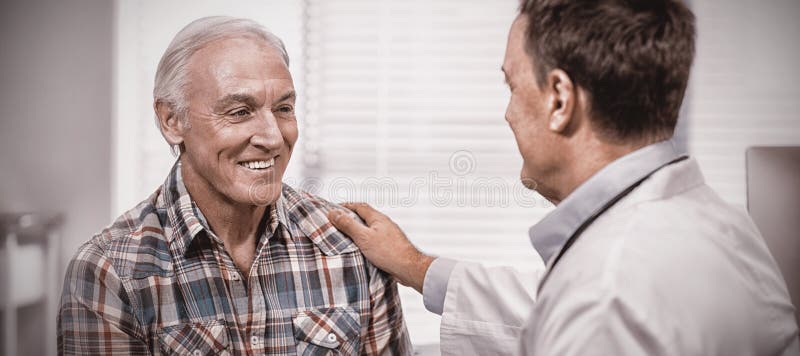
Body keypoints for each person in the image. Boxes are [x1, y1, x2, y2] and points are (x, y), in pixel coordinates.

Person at [327, 0, 800, 355]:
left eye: (512, 86)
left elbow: (590, 301)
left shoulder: (607, 292)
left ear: (559, 100)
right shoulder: (720, 226)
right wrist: (414, 264)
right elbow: (544, 305)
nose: (507, 113)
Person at [57, 16, 411, 355]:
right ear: (171, 121)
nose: (273, 138)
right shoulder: (109, 272)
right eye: (240, 112)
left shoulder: (351, 248)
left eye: (284, 108)